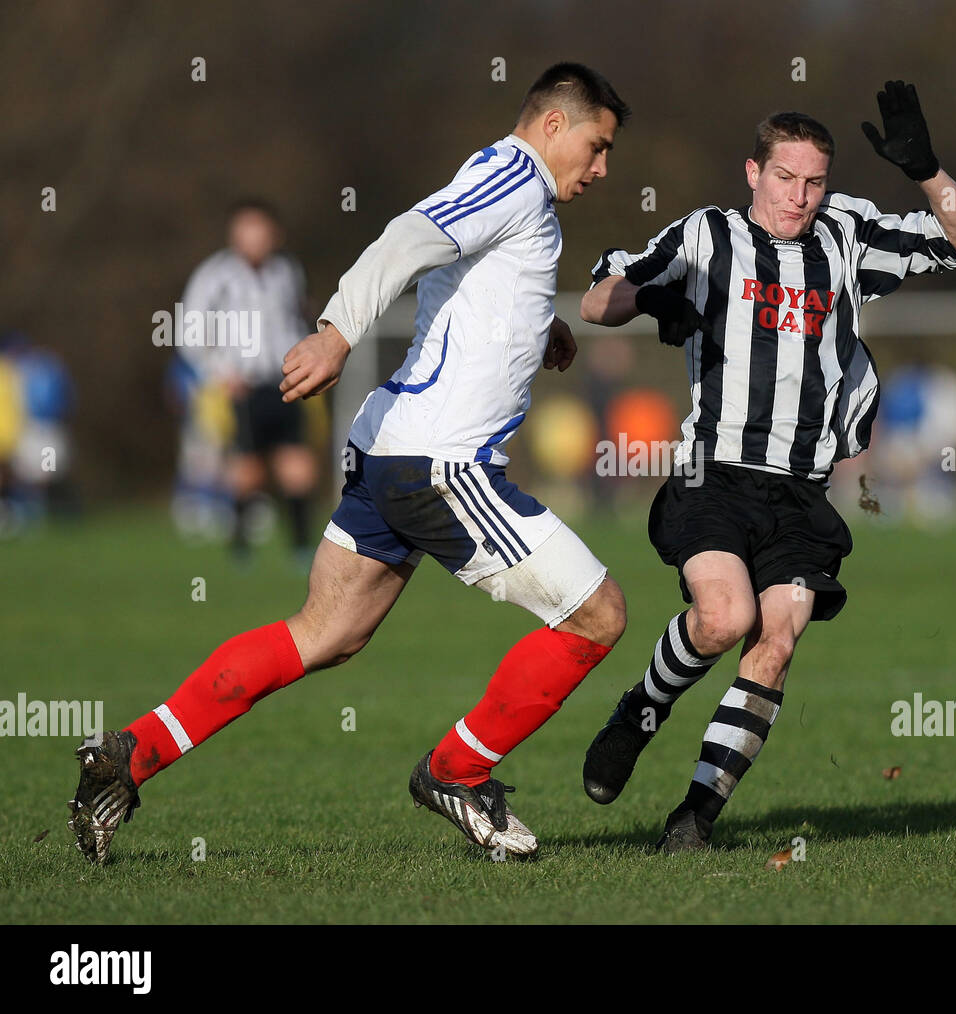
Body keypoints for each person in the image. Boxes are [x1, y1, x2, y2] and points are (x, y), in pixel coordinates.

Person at [68, 62, 631, 863]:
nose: (603, 168)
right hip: (442, 466)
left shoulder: (505, 184)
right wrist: (336, 330)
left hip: (391, 452)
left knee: (323, 633)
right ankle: (457, 773)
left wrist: (538, 326)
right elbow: (408, 237)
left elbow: (464, 279)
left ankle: (130, 755)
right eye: (597, 144)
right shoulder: (515, 176)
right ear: (552, 126)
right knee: (598, 613)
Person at [579, 82, 956, 850]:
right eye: (785, 179)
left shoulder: (846, 234)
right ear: (752, 173)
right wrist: (636, 296)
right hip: (716, 475)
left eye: (814, 182)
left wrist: (927, 170)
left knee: (776, 640)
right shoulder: (707, 236)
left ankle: (695, 815)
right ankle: (640, 711)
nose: (799, 198)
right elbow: (600, 301)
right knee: (724, 618)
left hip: (801, 491)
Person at [180, 199, 319, 561]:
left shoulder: (287, 271)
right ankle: (240, 547)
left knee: (298, 463)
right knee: (248, 468)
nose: (254, 238)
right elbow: (190, 330)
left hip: (284, 381)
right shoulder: (215, 275)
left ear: (274, 234)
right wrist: (220, 372)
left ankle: (302, 546)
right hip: (242, 384)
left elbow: (297, 319)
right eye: (246, 229)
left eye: (260, 230)